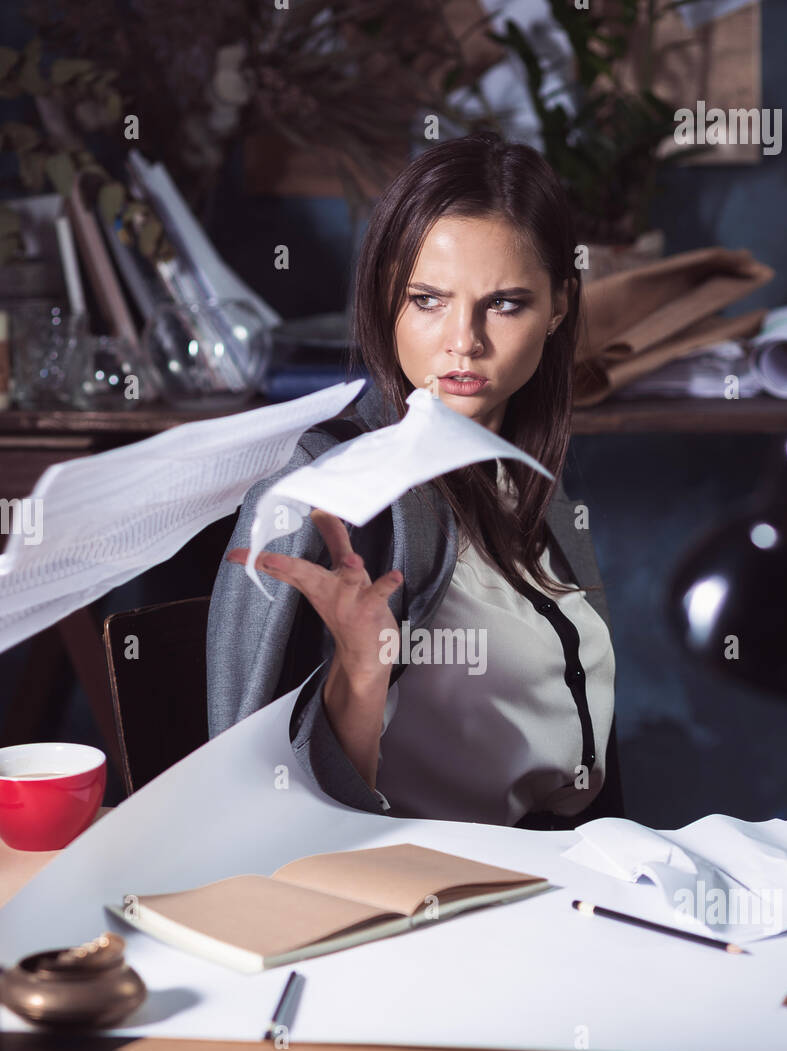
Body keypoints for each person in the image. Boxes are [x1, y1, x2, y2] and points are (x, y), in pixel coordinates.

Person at [207, 130, 621, 830]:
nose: (464, 340)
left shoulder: (526, 482)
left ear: (559, 306)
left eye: (506, 303)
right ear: (384, 298)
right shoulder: (346, 500)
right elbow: (276, 817)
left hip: (570, 873)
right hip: (425, 901)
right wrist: (361, 673)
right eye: (427, 299)